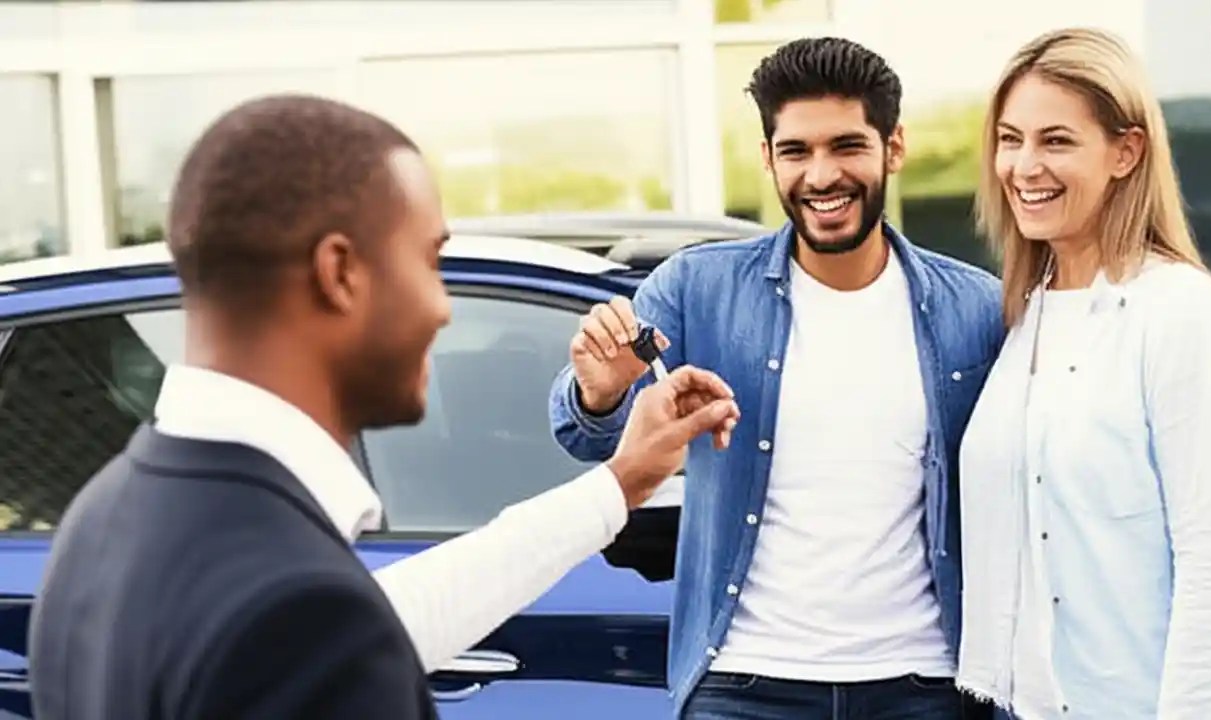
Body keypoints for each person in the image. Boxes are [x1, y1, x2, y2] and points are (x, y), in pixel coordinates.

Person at [26, 94, 741, 720]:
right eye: (428, 261)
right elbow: (338, 627)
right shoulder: (298, 607)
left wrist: (622, 484)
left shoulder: (107, 518)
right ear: (340, 273)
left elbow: (392, 614)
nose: (440, 309)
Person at [549, 37, 1005, 719]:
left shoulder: (976, 309)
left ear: (894, 148)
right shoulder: (696, 289)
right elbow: (583, 433)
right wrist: (601, 389)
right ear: (768, 159)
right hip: (744, 685)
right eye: (796, 151)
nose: (821, 175)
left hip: (922, 686)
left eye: (846, 146)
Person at [955, 27, 1211, 720]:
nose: (1024, 166)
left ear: (1126, 151)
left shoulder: (1181, 316)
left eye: (1056, 141)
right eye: (1010, 139)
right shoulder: (1023, 315)